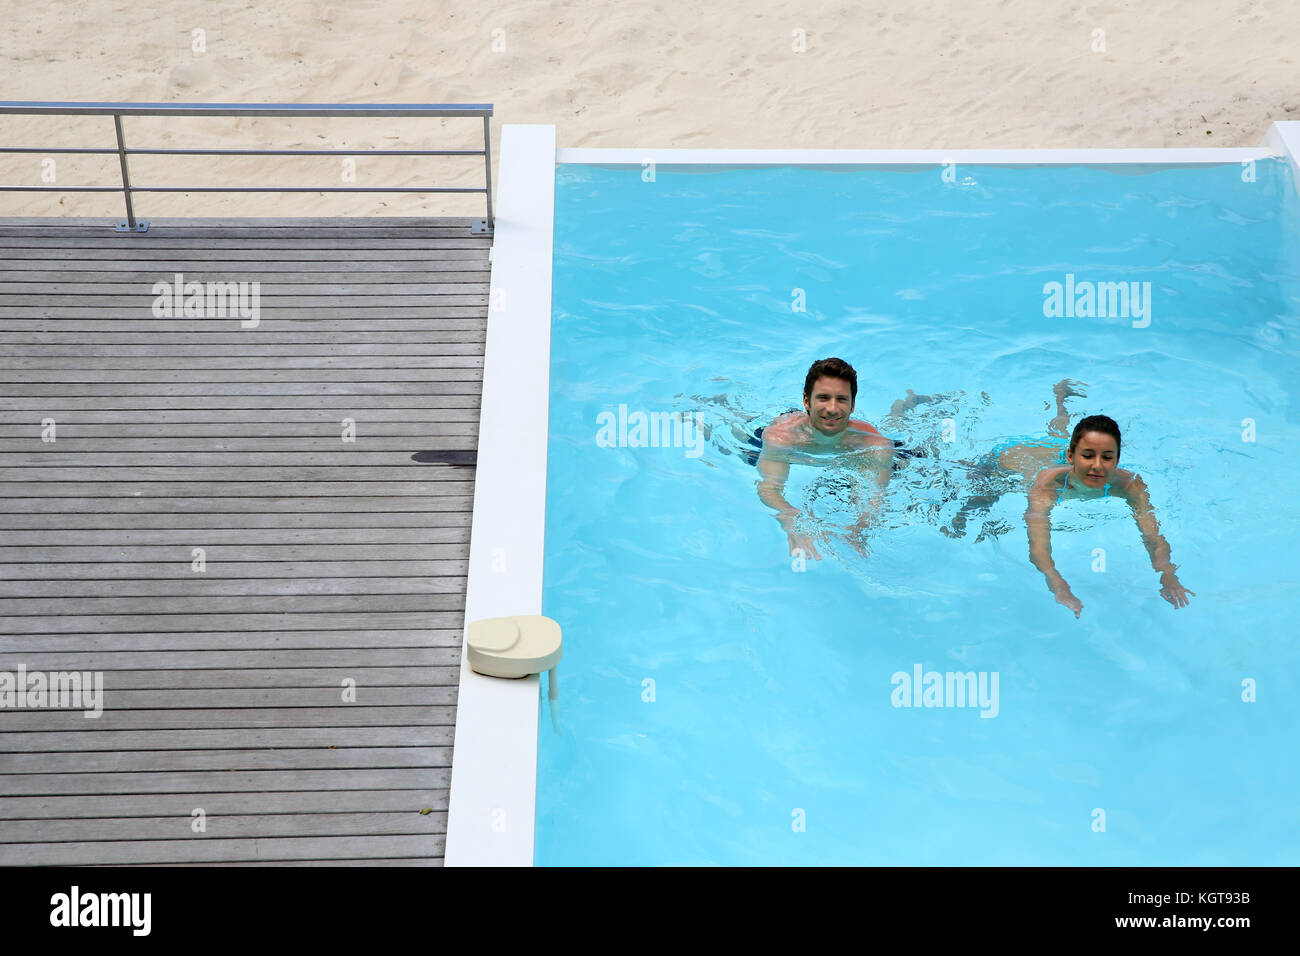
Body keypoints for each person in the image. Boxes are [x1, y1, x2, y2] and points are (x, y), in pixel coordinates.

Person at [944, 380, 1194, 617]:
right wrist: (1058, 584)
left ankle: (1060, 398)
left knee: (1058, 435)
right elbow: (1038, 545)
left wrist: (1168, 574)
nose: (1098, 466)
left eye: (1107, 457)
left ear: (1117, 459)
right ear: (1072, 457)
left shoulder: (1130, 484)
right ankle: (958, 515)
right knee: (981, 499)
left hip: (1054, 449)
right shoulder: (1048, 485)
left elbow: (1153, 537)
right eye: (1088, 456)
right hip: (1004, 460)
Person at [754, 357, 930, 560]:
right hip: (790, 434)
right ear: (806, 401)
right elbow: (769, 488)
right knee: (741, 438)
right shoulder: (781, 438)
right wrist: (789, 517)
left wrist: (859, 528)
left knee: (918, 462)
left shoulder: (873, 445)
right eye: (823, 398)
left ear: (853, 405)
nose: (832, 408)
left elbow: (874, 496)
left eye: (841, 399)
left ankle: (905, 405)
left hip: (854, 447)